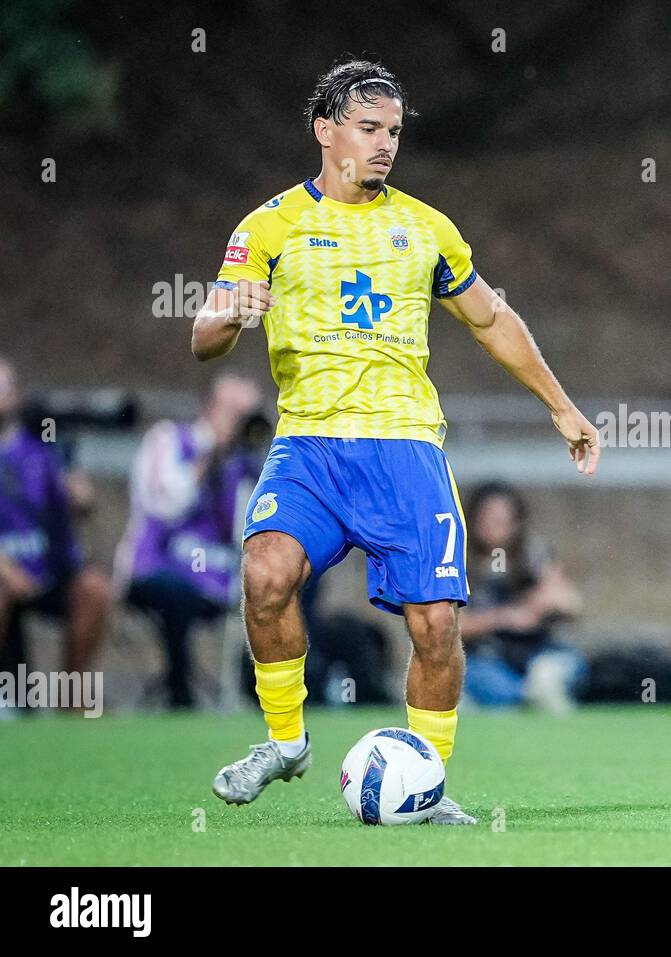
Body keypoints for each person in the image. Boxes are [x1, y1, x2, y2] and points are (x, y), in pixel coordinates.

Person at [192, 59, 600, 823]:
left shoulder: (427, 228)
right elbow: (204, 337)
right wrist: (232, 313)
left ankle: (427, 781)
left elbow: (490, 318)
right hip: (310, 445)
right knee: (264, 573)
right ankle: (285, 740)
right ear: (325, 128)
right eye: (369, 129)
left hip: (404, 445)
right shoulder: (269, 226)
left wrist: (561, 405)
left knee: (436, 624)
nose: (385, 146)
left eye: (395, 133)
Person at [113, 374, 266, 708]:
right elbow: (163, 505)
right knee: (174, 593)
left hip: (217, 581)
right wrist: (210, 458)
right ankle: (179, 693)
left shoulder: (247, 466)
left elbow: (248, 534)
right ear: (212, 407)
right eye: (234, 413)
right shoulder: (169, 439)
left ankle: (267, 693)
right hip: (157, 568)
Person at [0, 356, 110, 694]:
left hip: (46, 569)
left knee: (95, 590)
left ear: (16, 395)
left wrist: (79, 496)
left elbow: (78, 507)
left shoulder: (44, 446)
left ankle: (70, 700)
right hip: (5, 573)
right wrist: (6, 570)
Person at [458, 482, 586, 712]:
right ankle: (525, 697)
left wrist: (537, 605)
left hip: (535, 651)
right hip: (487, 655)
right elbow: (450, 628)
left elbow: (570, 604)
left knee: (567, 663)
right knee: (482, 678)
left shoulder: (532, 554)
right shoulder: (460, 561)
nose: (497, 527)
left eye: (504, 520)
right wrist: (502, 618)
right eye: (489, 519)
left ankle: (538, 690)